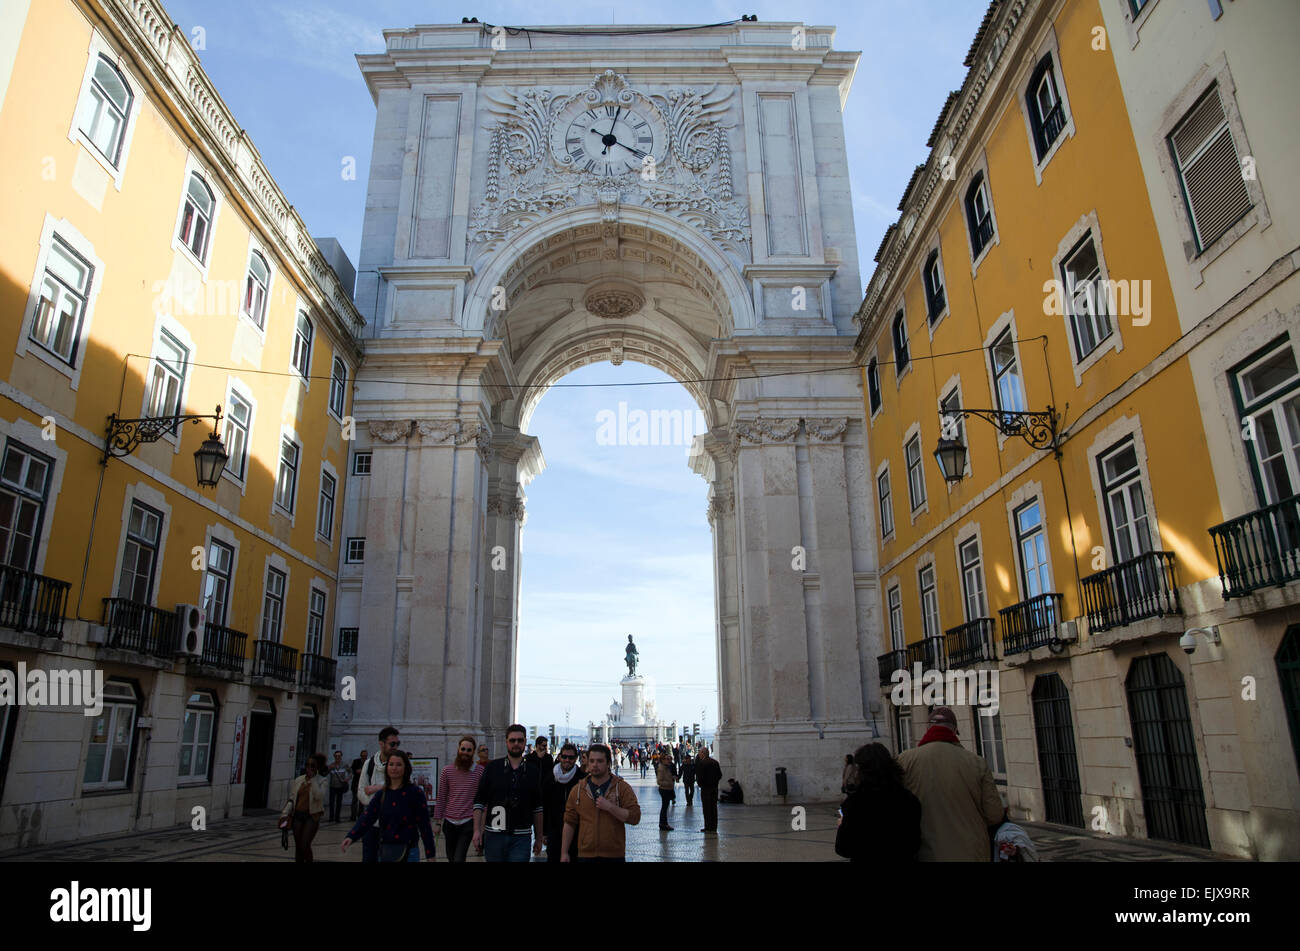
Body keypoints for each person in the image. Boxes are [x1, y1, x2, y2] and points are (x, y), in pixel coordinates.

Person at [897, 706, 1006, 862]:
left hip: (926, 852)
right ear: (954, 730)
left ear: (928, 728)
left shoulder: (905, 760)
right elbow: (994, 814)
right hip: (972, 851)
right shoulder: (976, 762)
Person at [343, 749, 436, 862]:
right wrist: (352, 836)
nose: (394, 768)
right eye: (391, 764)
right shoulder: (382, 794)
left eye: (398, 764)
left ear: (406, 768)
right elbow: (367, 817)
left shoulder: (415, 793)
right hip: (386, 850)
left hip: (409, 850)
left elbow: (424, 825)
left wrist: (430, 854)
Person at [834, 743, 921, 862]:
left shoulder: (854, 804)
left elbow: (843, 848)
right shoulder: (908, 799)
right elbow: (915, 845)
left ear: (861, 770)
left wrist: (842, 826)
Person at [472, 723, 545, 862]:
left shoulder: (533, 771)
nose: (516, 743)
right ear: (506, 742)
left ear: (525, 742)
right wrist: (477, 831)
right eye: (512, 740)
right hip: (494, 835)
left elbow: (538, 807)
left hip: (521, 836)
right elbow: (479, 801)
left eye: (520, 740)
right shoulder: (492, 768)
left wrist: (539, 837)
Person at [561, 743, 640, 862]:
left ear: (608, 763)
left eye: (599, 761)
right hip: (585, 855)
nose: (595, 765)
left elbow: (635, 817)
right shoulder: (578, 790)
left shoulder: (621, 788)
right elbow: (569, 822)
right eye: (591, 761)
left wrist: (610, 807)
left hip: (614, 856)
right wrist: (564, 852)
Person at [435, 735, 483, 863]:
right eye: (463, 749)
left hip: (467, 822)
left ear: (473, 752)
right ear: (458, 749)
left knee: (458, 858)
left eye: (469, 750)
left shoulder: (479, 772)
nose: (465, 753)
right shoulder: (447, 771)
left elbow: (482, 800)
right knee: (451, 858)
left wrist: (479, 827)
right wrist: (438, 822)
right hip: (449, 823)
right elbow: (442, 797)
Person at [356, 726, 401, 862]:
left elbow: (401, 791)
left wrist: (376, 788)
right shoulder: (370, 764)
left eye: (397, 744)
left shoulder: (399, 764)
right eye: (392, 744)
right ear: (381, 744)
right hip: (371, 824)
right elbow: (361, 791)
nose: (395, 747)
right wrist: (377, 803)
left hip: (392, 825)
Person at [543, 742, 586, 862]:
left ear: (576, 759)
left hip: (577, 832)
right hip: (554, 831)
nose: (567, 760)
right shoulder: (550, 777)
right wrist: (543, 833)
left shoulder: (582, 779)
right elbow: (544, 806)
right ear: (560, 757)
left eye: (571, 757)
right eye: (564, 756)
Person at [281, 753, 328, 862]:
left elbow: (318, 796)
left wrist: (313, 780)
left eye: (312, 765)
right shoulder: (299, 780)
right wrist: (284, 814)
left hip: (311, 817)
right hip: (298, 815)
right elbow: (292, 799)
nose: (309, 768)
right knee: (298, 846)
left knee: (305, 844)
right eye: (307, 765)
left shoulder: (322, 780)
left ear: (317, 767)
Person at [695, 746, 722, 833]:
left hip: (706, 789)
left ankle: (708, 827)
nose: (699, 755)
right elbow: (719, 775)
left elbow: (699, 777)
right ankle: (714, 827)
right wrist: (715, 783)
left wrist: (701, 785)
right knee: (713, 808)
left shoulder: (702, 764)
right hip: (714, 788)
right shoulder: (715, 762)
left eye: (700, 753)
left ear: (703, 754)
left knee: (706, 808)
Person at [654, 751, 677, 830]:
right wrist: (669, 782)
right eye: (667, 759)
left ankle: (663, 823)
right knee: (664, 807)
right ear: (663, 760)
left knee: (665, 807)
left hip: (667, 789)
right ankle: (663, 824)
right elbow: (659, 781)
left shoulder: (667, 767)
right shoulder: (661, 768)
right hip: (664, 789)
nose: (669, 760)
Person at [327, 750, 350, 823]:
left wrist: (347, 779)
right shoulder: (331, 765)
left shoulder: (344, 765)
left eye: (339, 756)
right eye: (336, 756)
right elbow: (325, 773)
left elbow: (350, 773)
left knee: (339, 802)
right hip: (332, 786)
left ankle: (337, 817)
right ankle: (331, 817)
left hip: (340, 786)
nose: (337, 757)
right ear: (334, 757)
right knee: (331, 802)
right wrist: (329, 768)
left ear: (341, 757)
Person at [350, 749, 367, 821]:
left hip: (363, 784)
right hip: (356, 784)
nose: (364, 757)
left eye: (365, 755)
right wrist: (358, 771)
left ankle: (360, 815)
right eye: (363, 755)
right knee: (354, 800)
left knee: (362, 801)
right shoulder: (356, 761)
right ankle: (353, 816)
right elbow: (354, 770)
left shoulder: (367, 762)